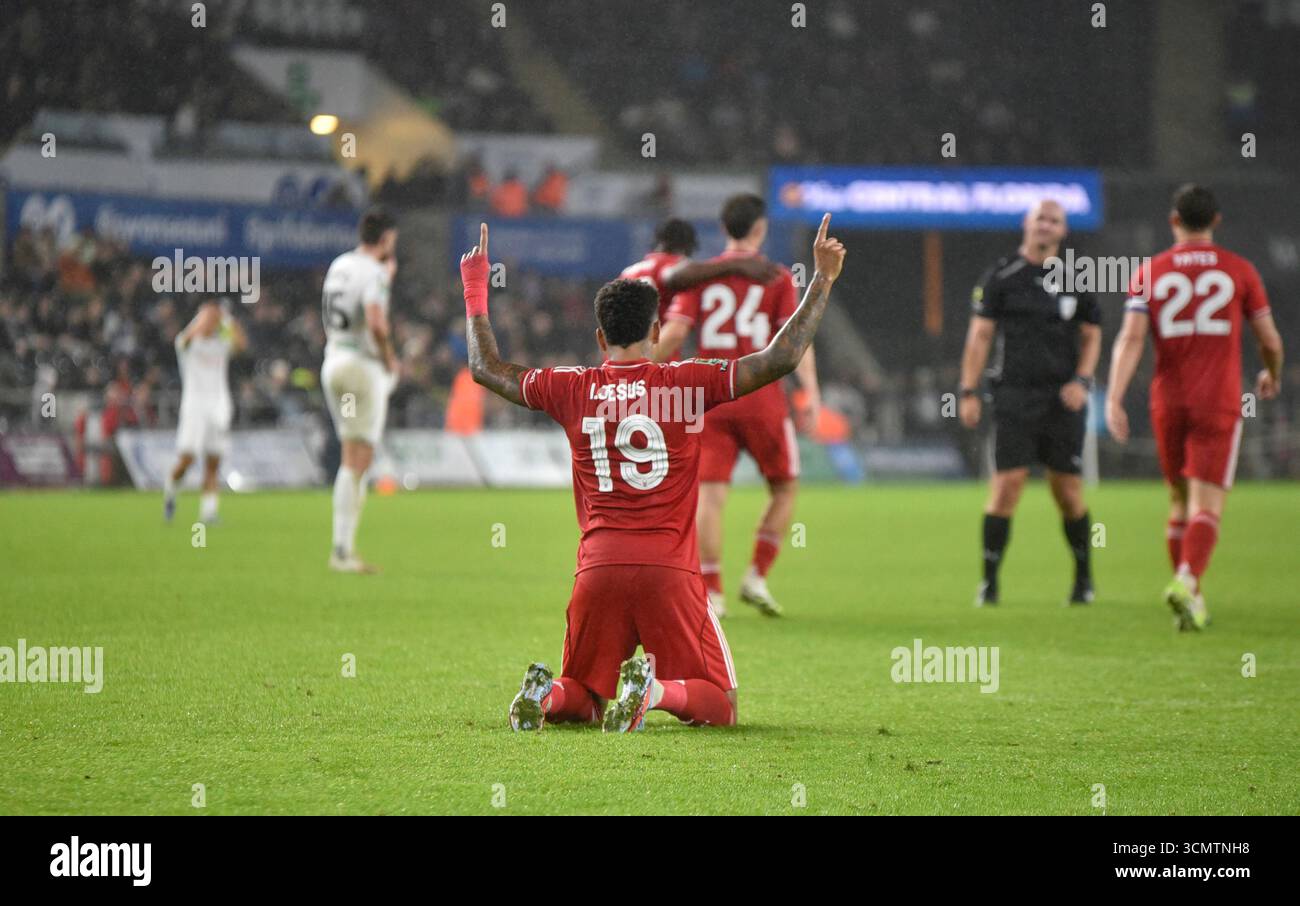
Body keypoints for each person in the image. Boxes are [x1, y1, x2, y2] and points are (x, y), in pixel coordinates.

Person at [460, 216, 845, 732]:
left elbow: (487, 368)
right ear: (658, 331)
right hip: (669, 573)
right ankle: (657, 690)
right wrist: (821, 280)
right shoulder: (688, 383)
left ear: (600, 336)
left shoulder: (568, 388)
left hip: (596, 572)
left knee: (586, 699)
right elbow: (783, 356)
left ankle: (548, 695)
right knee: (722, 705)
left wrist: (476, 287)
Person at [1105, 184, 1284, 630]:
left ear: (1173, 220)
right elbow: (1270, 340)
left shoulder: (1150, 271)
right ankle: (1188, 578)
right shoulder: (1239, 270)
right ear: (1216, 221)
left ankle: (1193, 600)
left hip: (1167, 400)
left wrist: (1112, 396)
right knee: (1208, 504)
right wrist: (1272, 373)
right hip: (1218, 401)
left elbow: (1130, 338)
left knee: (1178, 500)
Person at [652, 194, 819, 618]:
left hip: (709, 395)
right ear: (760, 228)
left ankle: (713, 594)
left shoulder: (702, 277)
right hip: (760, 393)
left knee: (710, 496)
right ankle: (756, 576)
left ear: (725, 229)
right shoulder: (777, 278)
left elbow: (673, 335)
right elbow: (796, 341)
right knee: (784, 487)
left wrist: (630, 368)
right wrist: (811, 393)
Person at [958, 200, 1101, 607]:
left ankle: (1084, 579)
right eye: (1040, 217)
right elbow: (979, 337)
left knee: (1068, 493)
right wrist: (968, 391)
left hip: (1063, 400)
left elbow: (1092, 336)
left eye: (1054, 220)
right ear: (1027, 223)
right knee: (1006, 487)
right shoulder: (1001, 276)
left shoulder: (1077, 277)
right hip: (1014, 397)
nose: (1045, 225)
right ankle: (989, 583)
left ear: (1063, 230)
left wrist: (1082, 380)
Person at [320, 208, 399, 573]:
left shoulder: (339, 265)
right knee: (359, 459)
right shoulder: (376, 272)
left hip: (334, 361)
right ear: (385, 239)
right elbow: (376, 323)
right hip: (360, 368)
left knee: (349, 456)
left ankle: (341, 548)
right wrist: (388, 360)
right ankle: (343, 551)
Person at [619, 217, 780, 359]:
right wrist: (736, 264)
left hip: (616, 365)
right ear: (688, 249)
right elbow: (671, 276)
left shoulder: (628, 273)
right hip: (652, 368)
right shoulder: (674, 269)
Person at [164, 300, 246, 524]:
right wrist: (204, 318)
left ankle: (208, 513)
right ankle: (170, 493)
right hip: (194, 407)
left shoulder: (221, 343)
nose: (212, 322)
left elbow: (241, 345)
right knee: (187, 457)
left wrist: (228, 320)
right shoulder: (189, 344)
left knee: (213, 460)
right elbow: (185, 338)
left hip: (218, 406)